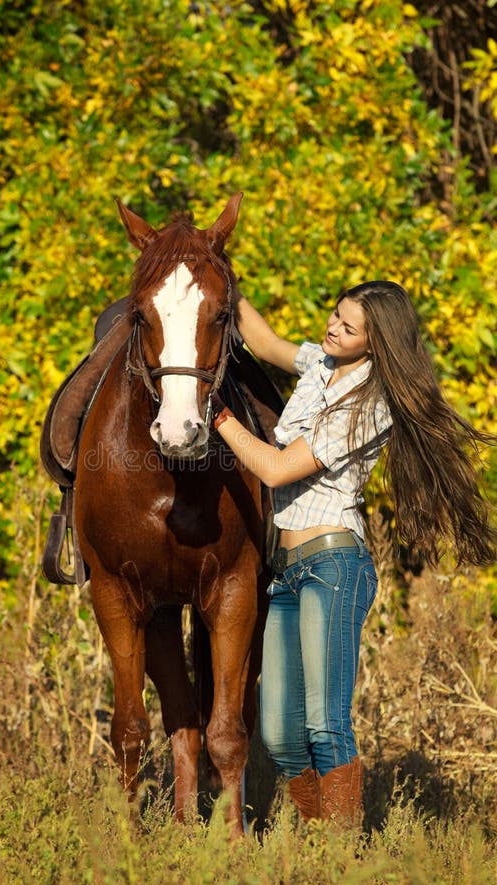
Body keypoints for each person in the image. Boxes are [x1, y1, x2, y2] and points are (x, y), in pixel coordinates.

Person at [210, 280, 496, 827]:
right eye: (334, 314)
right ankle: (324, 838)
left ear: (376, 341)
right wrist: (223, 278)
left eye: (348, 326)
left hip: (333, 567)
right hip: (287, 571)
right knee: (278, 733)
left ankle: (340, 860)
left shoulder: (372, 404)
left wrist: (218, 414)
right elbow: (267, 343)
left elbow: (273, 469)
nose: (332, 327)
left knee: (325, 724)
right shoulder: (320, 362)